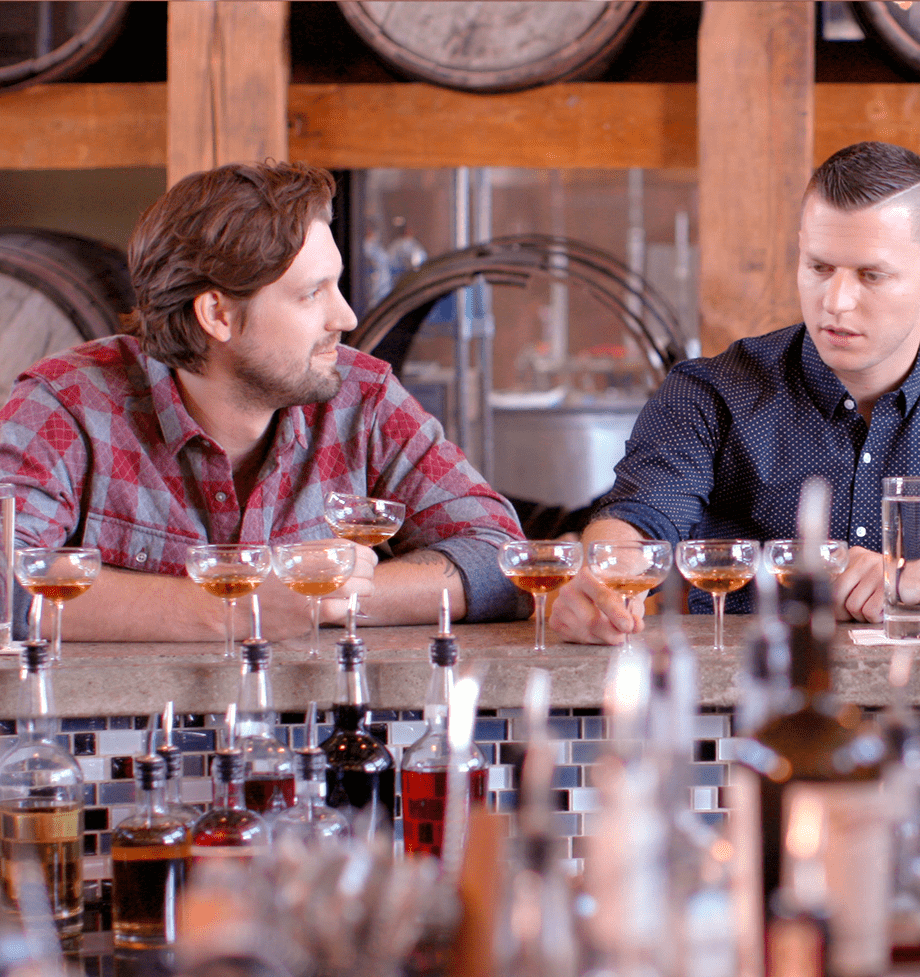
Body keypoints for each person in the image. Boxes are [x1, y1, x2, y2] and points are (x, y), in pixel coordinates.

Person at [551, 141, 920, 645]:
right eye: (820, 268)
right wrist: (606, 574)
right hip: (743, 705)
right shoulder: (712, 393)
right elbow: (640, 519)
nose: (837, 301)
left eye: (872, 275)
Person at [0, 161, 526, 642]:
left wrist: (322, 599)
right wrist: (228, 609)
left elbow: (502, 559)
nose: (345, 318)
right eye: (311, 294)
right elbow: (3, 585)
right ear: (218, 315)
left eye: (336, 286)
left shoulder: (361, 397)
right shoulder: (66, 403)